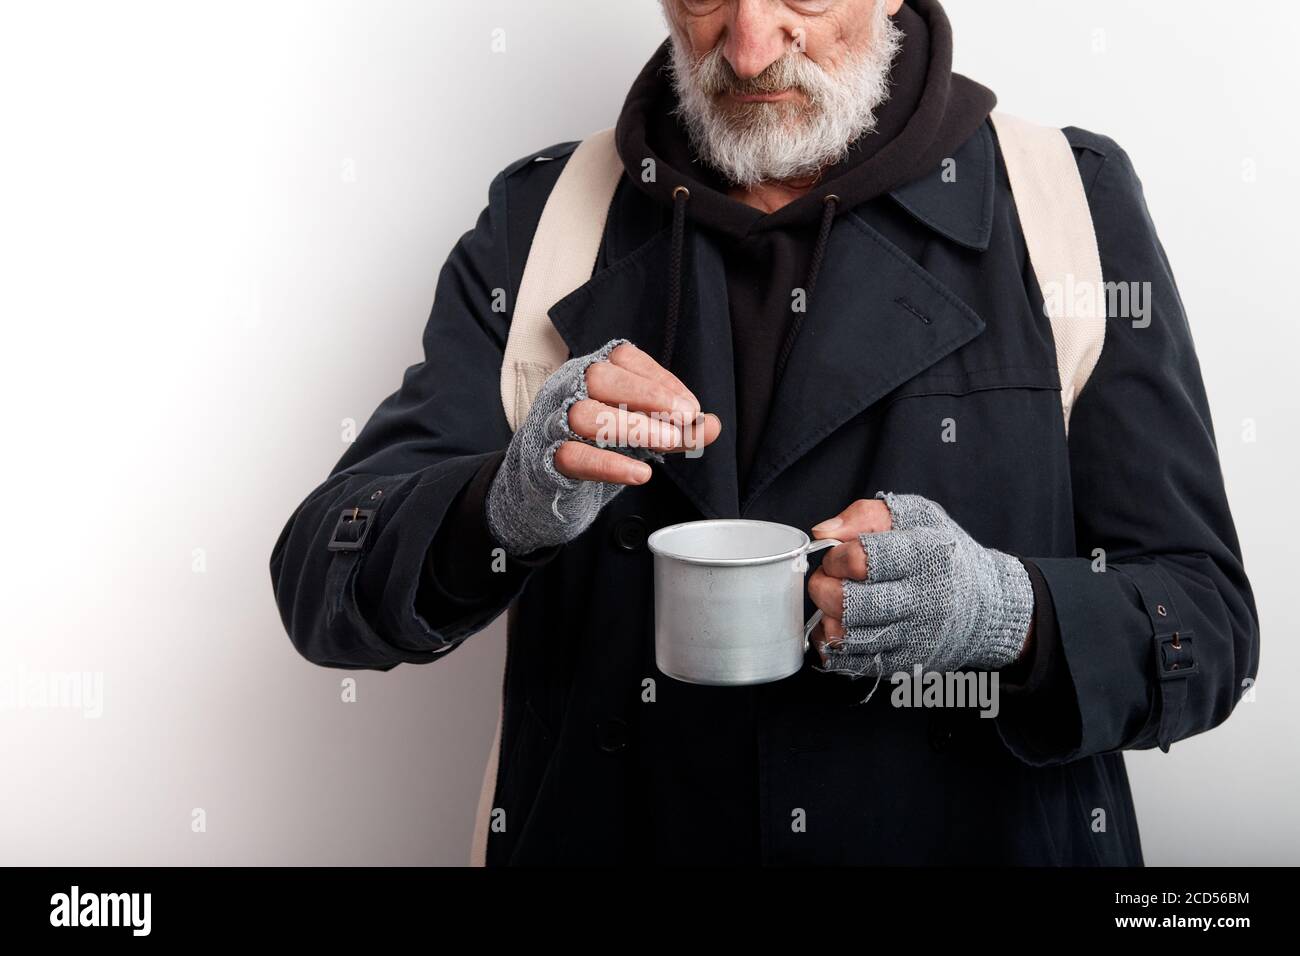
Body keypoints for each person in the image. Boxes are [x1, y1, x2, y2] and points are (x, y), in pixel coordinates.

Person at [270, 0, 1259, 865]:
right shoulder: (540, 219)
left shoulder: (1064, 205)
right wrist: (504, 504)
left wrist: (1008, 613)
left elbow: (1206, 627)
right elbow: (321, 583)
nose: (746, 48)